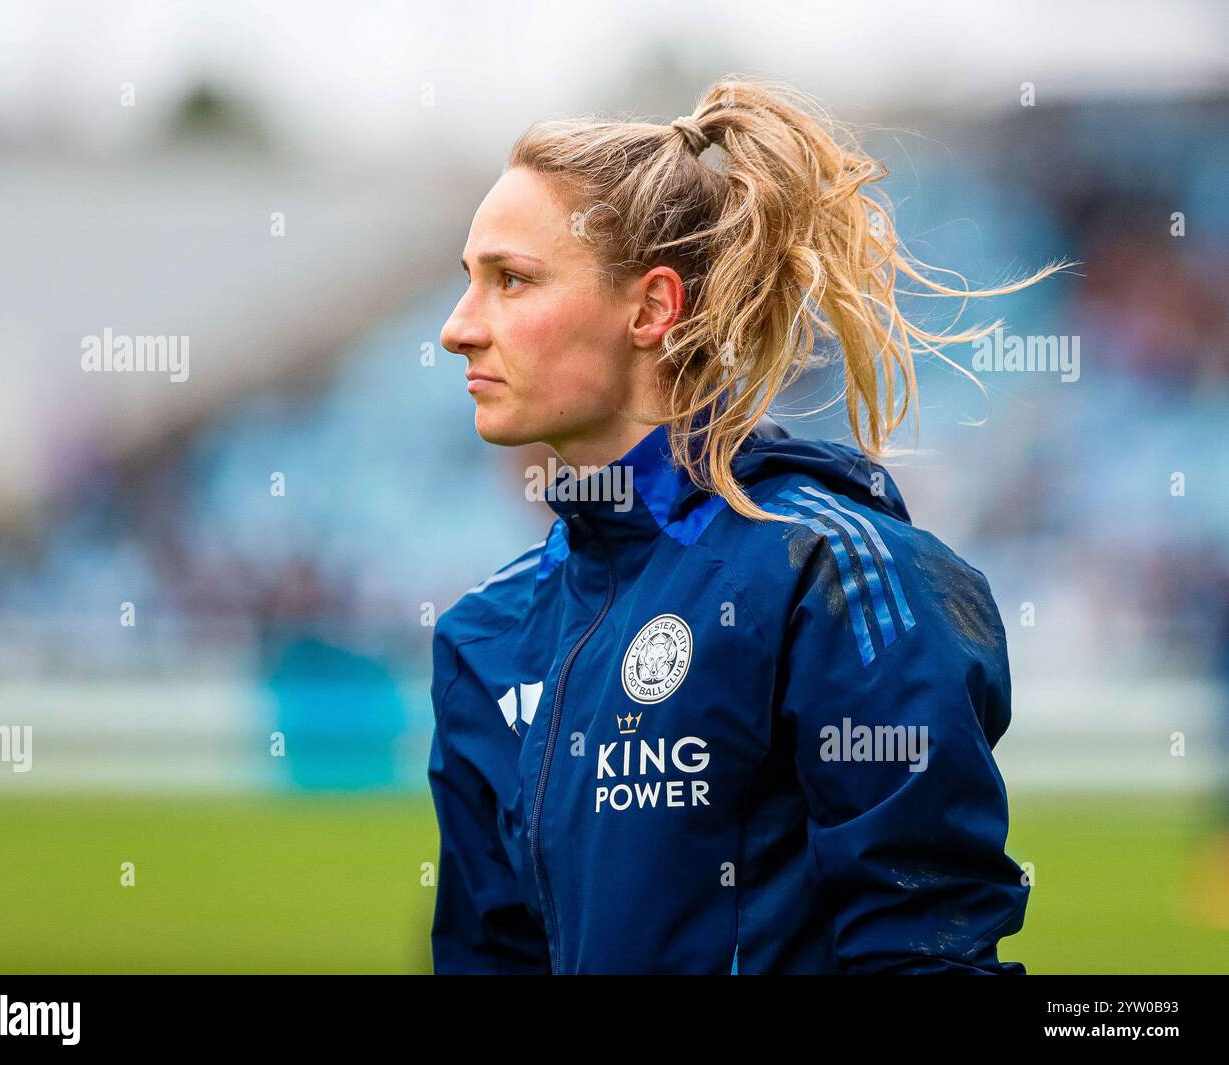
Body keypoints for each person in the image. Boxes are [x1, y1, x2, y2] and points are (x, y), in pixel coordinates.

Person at [428, 75, 1067, 974]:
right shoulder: (485, 634)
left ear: (651, 308)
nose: (459, 328)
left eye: (512, 281)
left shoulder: (840, 578)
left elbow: (922, 952)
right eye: (469, 282)